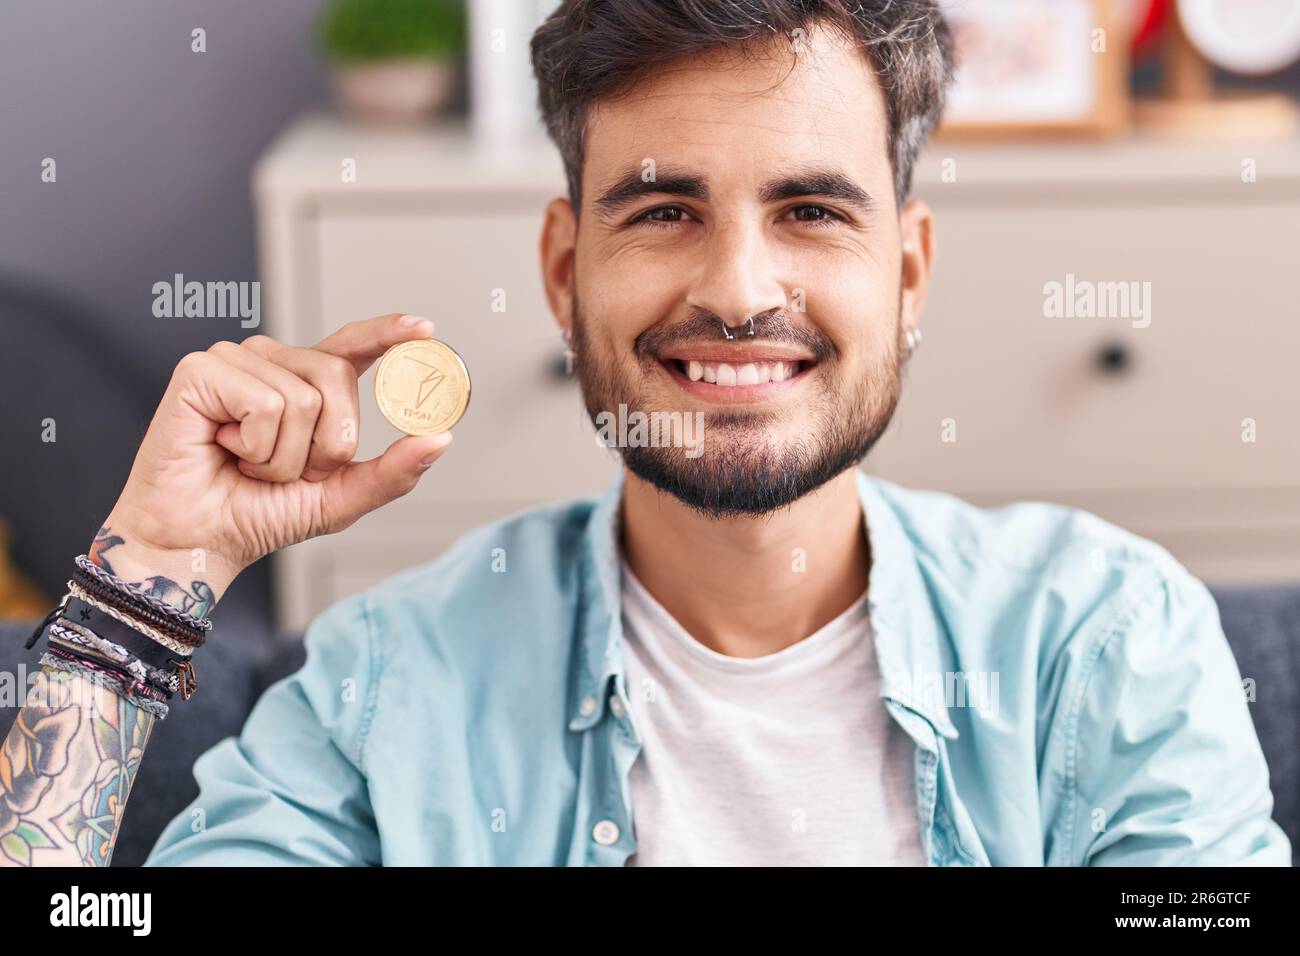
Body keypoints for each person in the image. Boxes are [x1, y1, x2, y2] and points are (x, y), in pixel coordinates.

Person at [1, 0, 1288, 867]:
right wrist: (147, 576)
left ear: (909, 273)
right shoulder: (384, 694)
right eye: (664, 210)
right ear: (564, 273)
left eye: (811, 211)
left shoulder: (1108, 644)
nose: (737, 288)